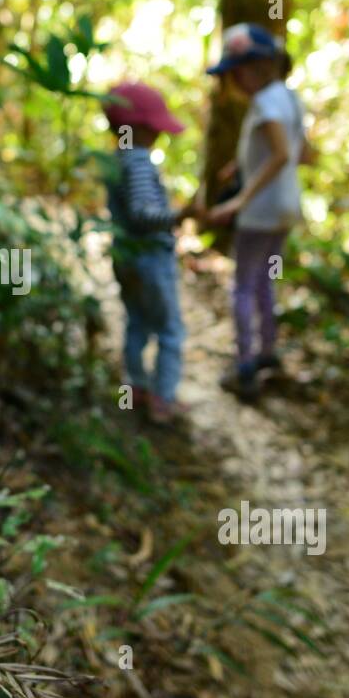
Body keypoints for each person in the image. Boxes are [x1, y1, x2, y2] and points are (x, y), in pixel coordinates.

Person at [203, 24, 308, 401]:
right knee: (265, 280)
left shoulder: (265, 102)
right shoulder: (288, 97)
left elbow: (280, 153)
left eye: (235, 73)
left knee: (244, 285)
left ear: (254, 68)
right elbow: (300, 151)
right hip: (285, 206)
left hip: (260, 211)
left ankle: (245, 366)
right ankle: (267, 353)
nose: (233, 82)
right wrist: (240, 163)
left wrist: (239, 199)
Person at [102, 82, 199, 423]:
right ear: (139, 128)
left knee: (137, 323)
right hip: (150, 259)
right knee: (170, 329)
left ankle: (138, 386)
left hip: (125, 256)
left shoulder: (116, 160)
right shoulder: (139, 161)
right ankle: (164, 397)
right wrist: (181, 215)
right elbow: (143, 214)